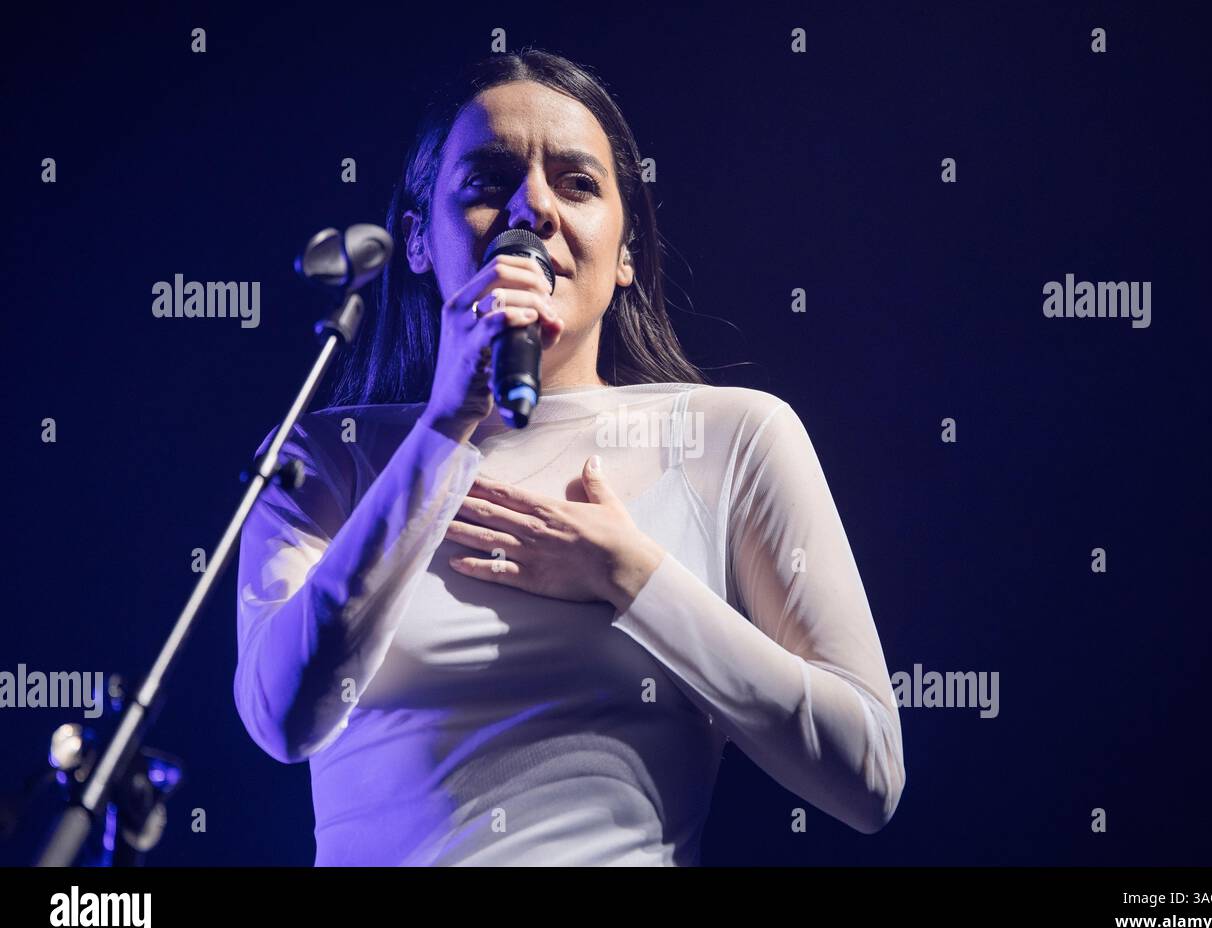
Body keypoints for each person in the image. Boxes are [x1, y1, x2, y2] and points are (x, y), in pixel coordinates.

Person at [234, 48, 905, 865]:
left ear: (625, 252)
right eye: (489, 181)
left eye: (579, 183)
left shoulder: (734, 437)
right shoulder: (325, 454)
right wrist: (445, 425)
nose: (533, 208)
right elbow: (281, 719)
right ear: (415, 239)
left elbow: (868, 775)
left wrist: (633, 580)